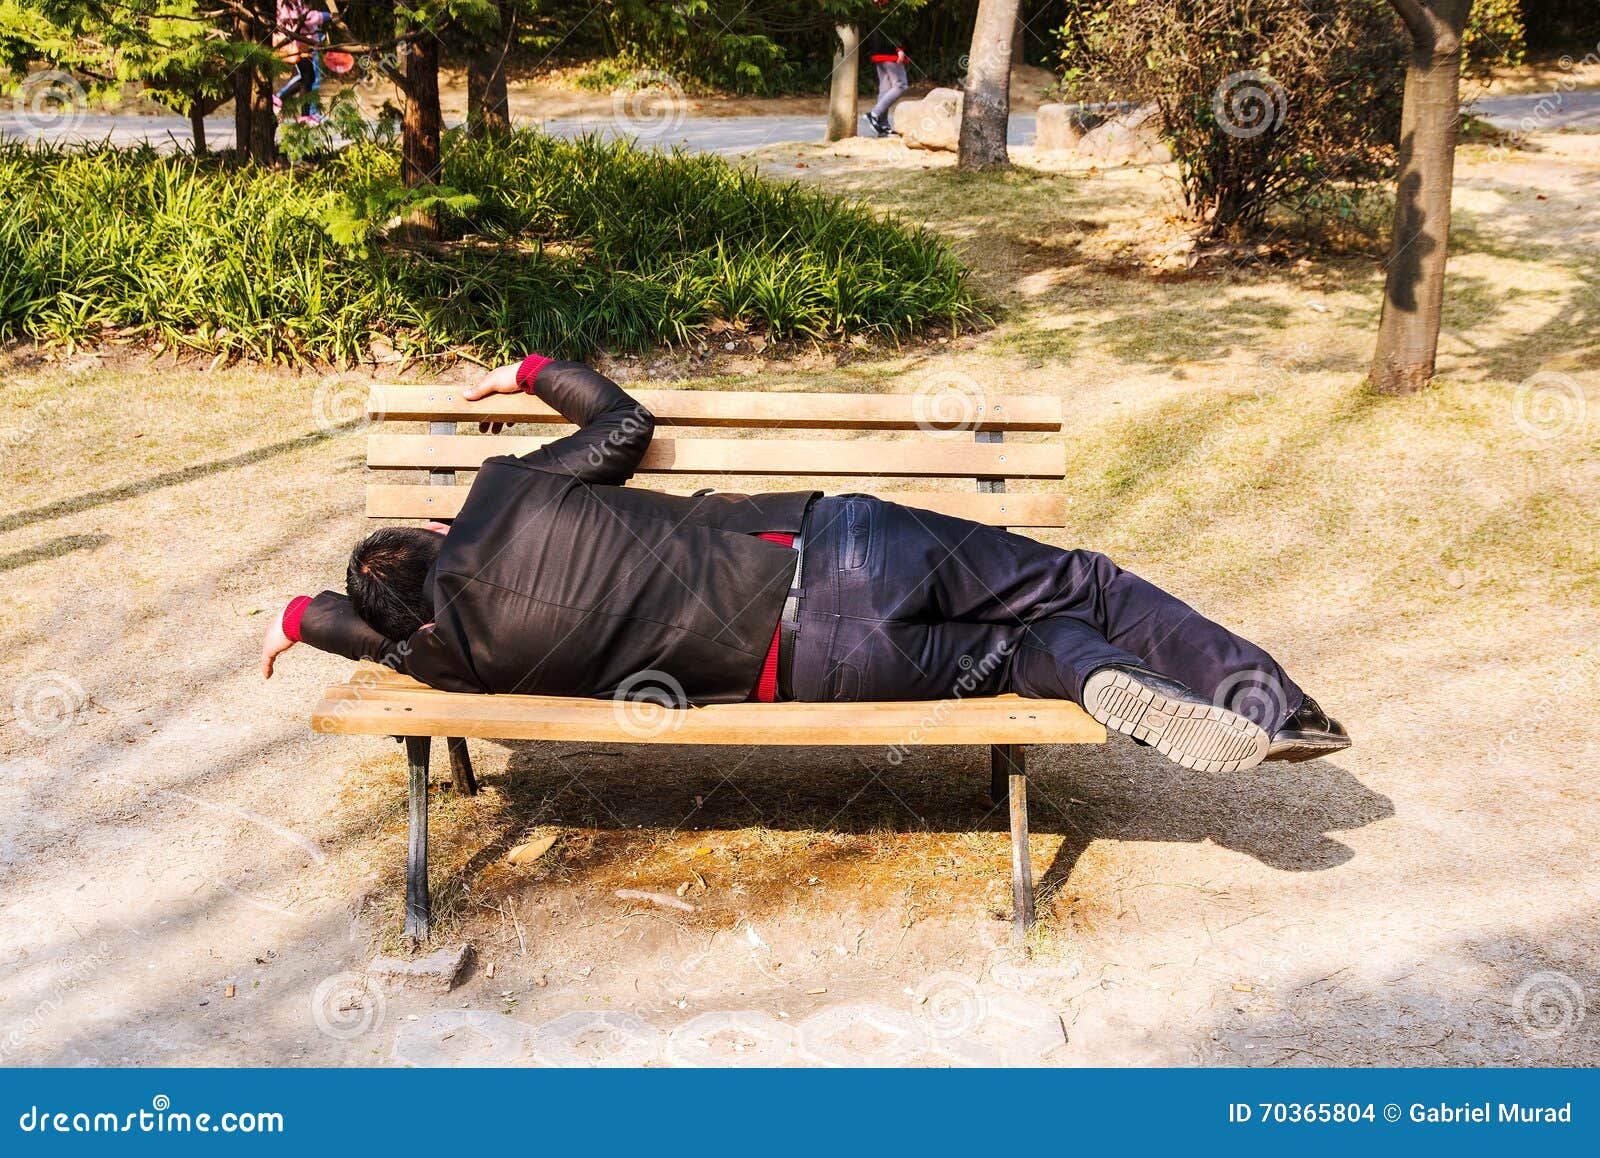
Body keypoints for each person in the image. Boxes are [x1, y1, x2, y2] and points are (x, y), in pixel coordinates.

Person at [261, 356, 1351, 774]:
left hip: (819, 669)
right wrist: (528, 370)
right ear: (436, 532)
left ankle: (1094, 678)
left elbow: (371, 638)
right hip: (845, 551)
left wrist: (300, 622)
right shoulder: (508, 493)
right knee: (1083, 584)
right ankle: (1273, 706)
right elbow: (624, 423)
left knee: (1026, 655)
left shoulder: (455, 657)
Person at [273, 0, 330, 124]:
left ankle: (303, 113)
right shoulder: (286, 3)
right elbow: (306, 17)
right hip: (300, 43)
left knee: (308, 78)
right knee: (309, 77)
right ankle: (281, 100)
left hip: (301, 42)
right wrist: (325, 16)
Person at [862, 2, 910, 137]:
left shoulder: (871, 7)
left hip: (877, 50)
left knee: (885, 89)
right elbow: (893, 28)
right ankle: (874, 114)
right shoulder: (891, 6)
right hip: (889, 52)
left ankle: (883, 125)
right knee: (901, 85)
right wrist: (899, 48)